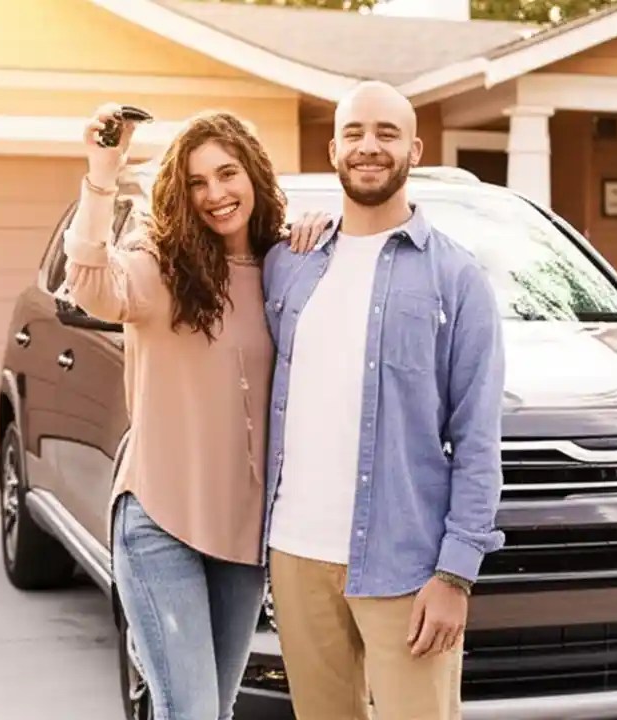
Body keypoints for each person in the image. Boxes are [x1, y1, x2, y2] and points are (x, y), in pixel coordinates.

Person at [60, 103, 329, 720]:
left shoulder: (283, 270)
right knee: (192, 713)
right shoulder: (159, 269)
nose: (215, 194)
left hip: (242, 536)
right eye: (197, 183)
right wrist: (103, 171)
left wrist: (324, 227)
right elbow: (89, 283)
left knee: (216, 709)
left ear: (255, 177)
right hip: (159, 522)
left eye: (227, 174)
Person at [260, 81, 507, 719]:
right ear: (332, 148)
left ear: (415, 150)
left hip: (406, 563)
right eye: (355, 133)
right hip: (296, 553)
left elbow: (478, 438)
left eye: (387, 133)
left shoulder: (456, 279)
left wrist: (456, 573)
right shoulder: (290, 263)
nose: (369, 147)